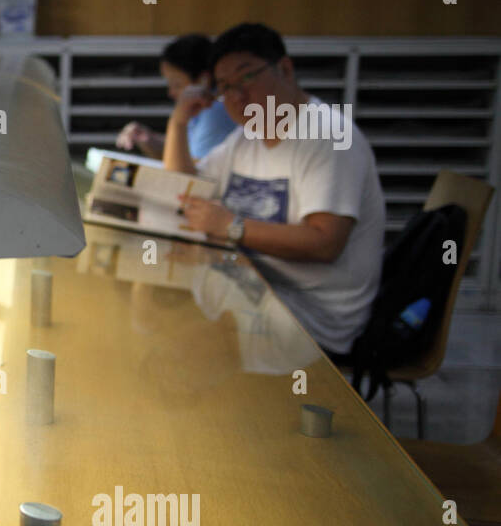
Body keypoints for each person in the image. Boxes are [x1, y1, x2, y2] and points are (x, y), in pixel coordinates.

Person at [165, 22, 386, 358]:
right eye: (224, 87)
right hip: (253, 286)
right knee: (157, 300)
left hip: (311, 315)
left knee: (188, 345)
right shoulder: (246, 137)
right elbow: (184, 190)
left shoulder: (330, 135)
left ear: (285, 69)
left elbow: (325, 243)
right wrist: (178, 124)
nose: (237, 96)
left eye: (246, 78)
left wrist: (231, 226)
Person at [116, 34, 238, 160]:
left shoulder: (215, 112)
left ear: (203, 80)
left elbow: (190, 173)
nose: (171, 93)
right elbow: (182, 152)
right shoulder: (200, 110)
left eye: (177, 84)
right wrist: (147, 139)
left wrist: (177, 122)